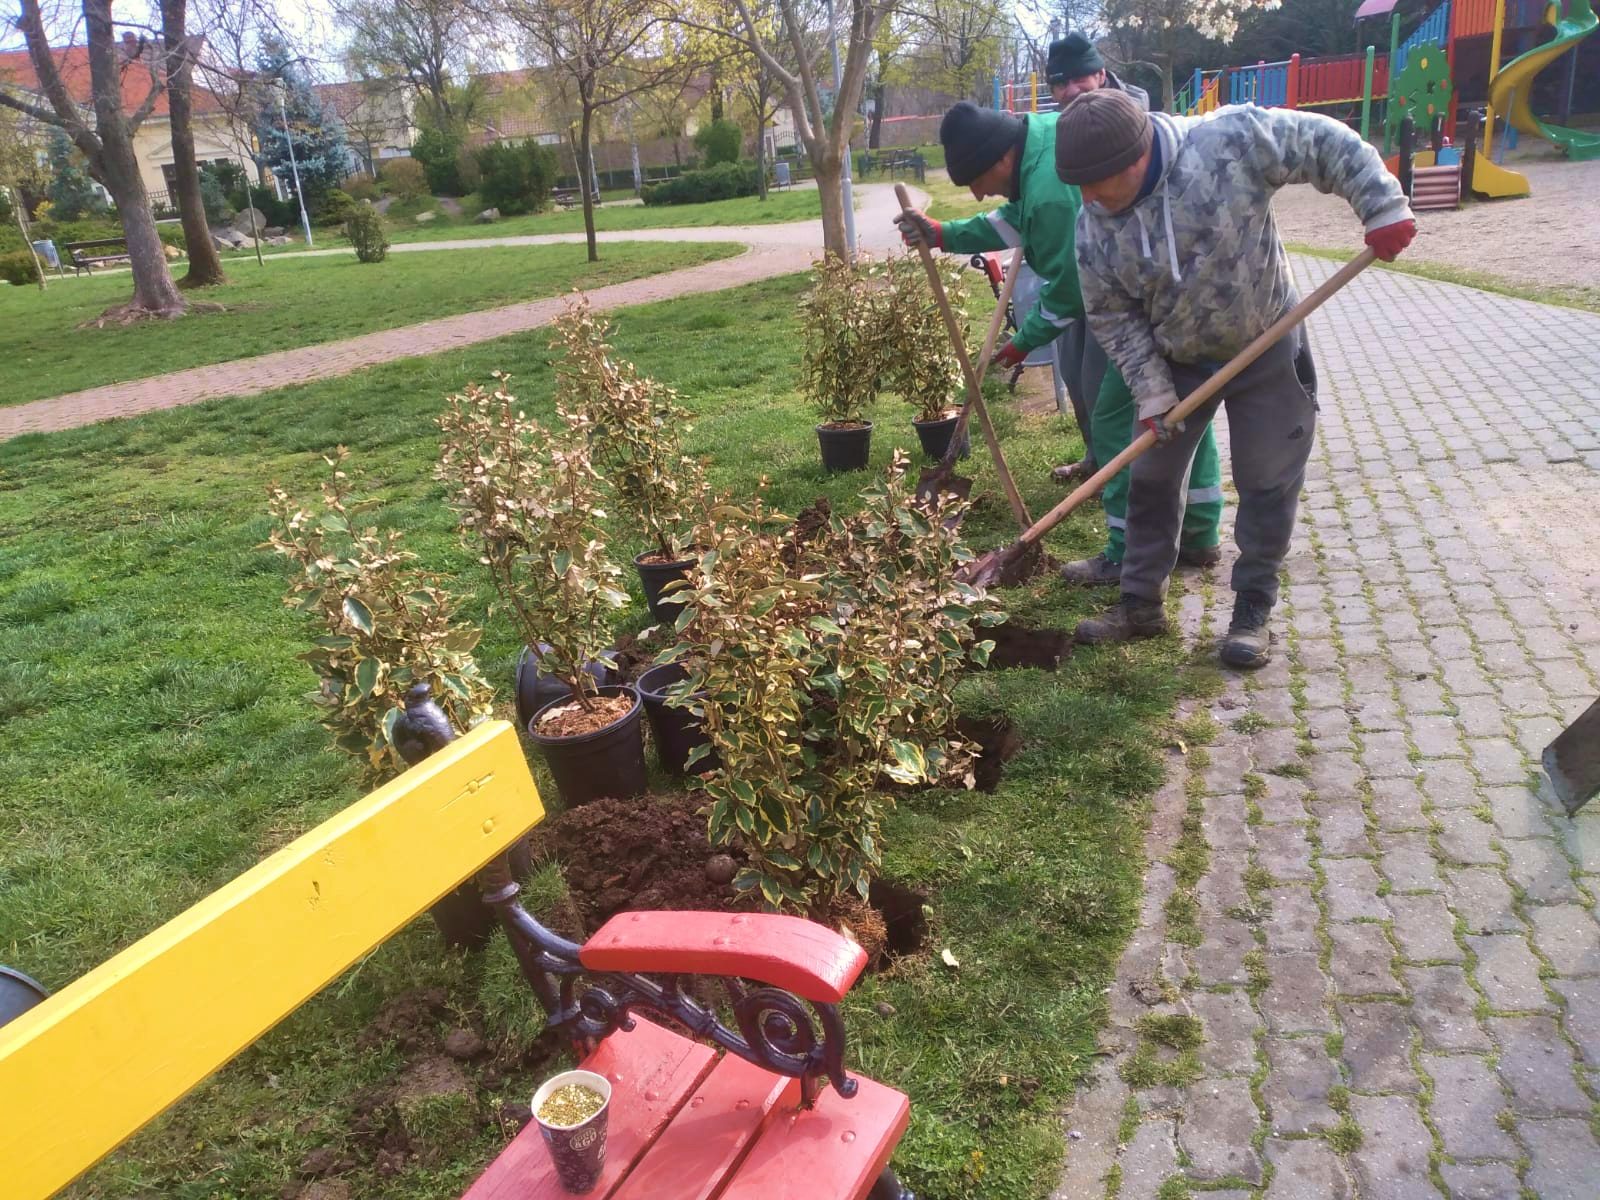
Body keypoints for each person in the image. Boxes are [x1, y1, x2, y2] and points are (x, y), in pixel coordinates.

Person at [1057, 89, 1415, 668]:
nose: (1088, 197)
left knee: (1267, 483)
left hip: (1267, 341)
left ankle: (1252, 610)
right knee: (1149, 477)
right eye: (1079, 186)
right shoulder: (1093, 226)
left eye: (1097, 183)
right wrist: (1150, 389)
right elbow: (1111, 315)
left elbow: (1324, 142)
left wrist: (1381, 206)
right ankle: (1139, 605)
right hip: (1177, 359)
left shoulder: (1229, 140)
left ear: (1136, 158)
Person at [1043, 32, 1225, 581]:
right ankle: (1196, 538)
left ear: (1101, 75)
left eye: (1082, 76)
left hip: (1169, 306)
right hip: (1126, 301)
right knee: (1173, 417)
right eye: (1061, 81)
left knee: (1124, 419)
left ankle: (1134, 549)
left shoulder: (1142, 128)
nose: (1073, 87)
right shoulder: (1066, 137)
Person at [894, 101, 1080, 386]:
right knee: (1088, 392)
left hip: (1128, 294)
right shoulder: (1037, 141)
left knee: (1108, 415)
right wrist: (942, 234)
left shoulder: (1049, 195)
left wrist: (1023, 341)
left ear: (1003, 159)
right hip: (1108, 288)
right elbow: (1016, 219)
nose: (979, 195)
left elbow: (1070, 288)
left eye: (978, 181)